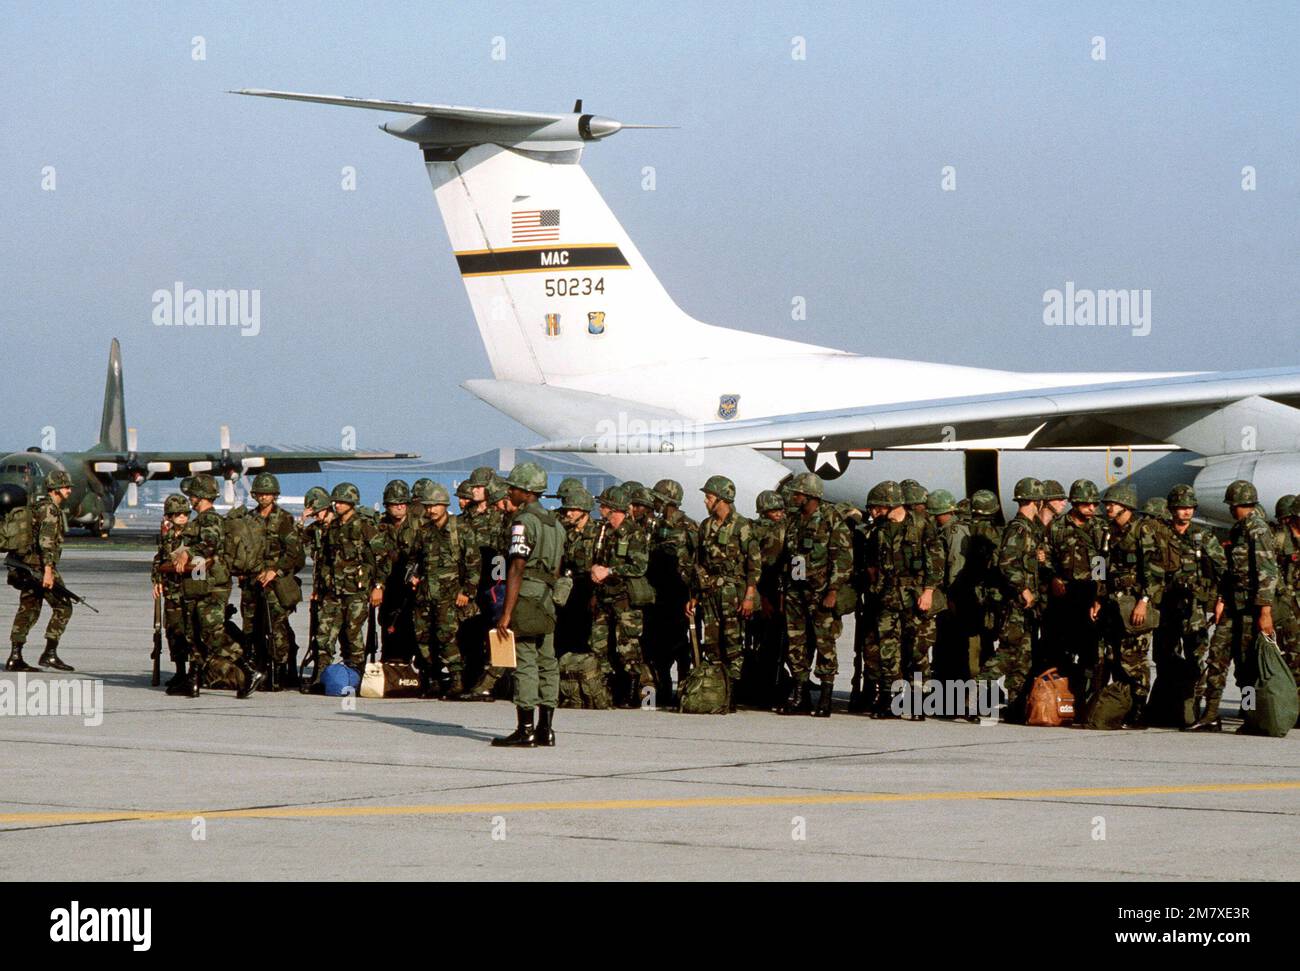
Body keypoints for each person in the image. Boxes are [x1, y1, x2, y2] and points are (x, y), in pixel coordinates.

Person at [1189, 480, 1277, 731]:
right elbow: (1231, 572)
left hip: (1250, 608)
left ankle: (1249, 715)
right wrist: (1221, 600)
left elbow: (1267, 572)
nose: (1230, 509)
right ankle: (1210, 715)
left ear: (1239, 505)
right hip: (1232, 607)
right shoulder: (1239, 529)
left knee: (1247, 667)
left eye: (1232, 505)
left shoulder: (1258, 529)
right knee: (1217, 658)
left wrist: (1265, 612)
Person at [166, 473, 263, 698]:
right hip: (199, 584)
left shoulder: (210, 520)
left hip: (212, 586)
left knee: (212, 633)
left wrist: (188, 553)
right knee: (193, 632)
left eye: (192, 495)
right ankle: (193, 680)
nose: (190, 499)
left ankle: (249, 670)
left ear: (200, 496)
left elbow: (209, 544)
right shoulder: (200, 520)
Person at [491, 462, 567, 748]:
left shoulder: (523, 521)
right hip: (548, 597)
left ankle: (525, 729)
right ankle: (546, 728)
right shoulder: (555, 523)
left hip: (526, 596)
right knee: (548, 661)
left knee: (524, 662)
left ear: (526, 492)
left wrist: (506, 613)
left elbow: (517, 566)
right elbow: (557, 567)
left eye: (513, 487)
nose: (509, 492)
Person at [777, 472, 852, 717]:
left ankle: (826, 697)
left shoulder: (831, 519)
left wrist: (833, 590)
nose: (794, 498)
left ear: (810, 495)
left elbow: (843, 559)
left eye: (798, 494)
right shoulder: (794, 520)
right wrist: (784, 589)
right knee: (796, 642)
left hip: (820, 592)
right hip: (795, 591)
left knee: (824, 642)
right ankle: (801, 695)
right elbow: (787, 557)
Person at [689, 475, 760, 710]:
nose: (705, 501)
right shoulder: (705, 526)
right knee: (711, 643)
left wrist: (749, 596)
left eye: (709, 497)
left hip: (733, 593)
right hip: (709, 593)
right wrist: (695, 597)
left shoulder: (742, 526)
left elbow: (754, 565)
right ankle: (716, 692)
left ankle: (732, 694)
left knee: (733, 643)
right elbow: (699, 563)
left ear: (722, 499)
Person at [1099, 481, 1165, 729]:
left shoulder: (1142, 530)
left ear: (1126, 506)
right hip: (1112, 603)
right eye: (1107, 504)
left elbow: (1154, 571)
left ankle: (1139, 710)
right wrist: (1097, 597)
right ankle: (1122, 705)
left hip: (1134, 603)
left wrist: (1143, 602)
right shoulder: (1108, 531)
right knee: (1114, 656)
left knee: (1135, 658)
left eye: (1113, 504)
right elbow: (1099, 565)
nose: (1108, 508)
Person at [978, 477, 1043, 723]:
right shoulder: (1019, 529)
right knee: (1008, 653)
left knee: (1024, 658)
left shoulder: (1030, 528)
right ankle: (974, 694)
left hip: (1026, 606)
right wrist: (1023, 589)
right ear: (1035, 501)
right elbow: (1006, 563)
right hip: (1015, 604)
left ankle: (1016, 705)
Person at [235, 473, 305, 686]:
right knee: (250, 627)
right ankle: (256, 669)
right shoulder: (248, 519)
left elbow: (293, 552)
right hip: (252, 582)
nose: (264, 497)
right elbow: (241, 548)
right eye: (260, 493)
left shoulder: (284, 519)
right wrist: (241, 569)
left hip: (274, 584)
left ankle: (279, 669)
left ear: (275, 495)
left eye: (268, 493)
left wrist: (275, 570)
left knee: (276, 628)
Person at [410, 480, 479, 697]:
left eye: (435, 505)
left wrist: (467, 592)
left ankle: (457, 680)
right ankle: (434, 679)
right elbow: (414, 560)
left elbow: (474, 564)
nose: (431, 510)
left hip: (450, 595)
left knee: (447, 637)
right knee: (423, 637)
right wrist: (413, 576)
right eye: (428, 506)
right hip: (425, 595)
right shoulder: (424, 532)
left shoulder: (461, 530)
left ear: (445, 505)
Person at [590, 485, 654, 706]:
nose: (600, 509)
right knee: (599, 645)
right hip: (604, 598)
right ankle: (607, 692)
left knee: (629, 649)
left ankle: (636, 695)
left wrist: (609, 571)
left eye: (603, 505)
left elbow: (639, 567)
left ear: (613, 508)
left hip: (625, 599)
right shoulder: (604, 532)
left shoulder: (635, 533)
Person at [7, 469, 76, 672]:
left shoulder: (38, 506)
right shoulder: (50, 510)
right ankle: (49, 654)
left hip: (27, 566)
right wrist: (48, 571)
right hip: (39, 568)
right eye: (66, 487)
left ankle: (15, 657)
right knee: (64, 606)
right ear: (55, 488)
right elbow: (46, 543)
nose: (69, 490)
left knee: (28, 609)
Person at [314, 482, 382, 677]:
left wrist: (378, 586)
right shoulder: (333, 527)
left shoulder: (365, 527)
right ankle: (321, 674)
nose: (337, 505)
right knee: (324, 633)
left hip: (356, 592)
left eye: (342, 502)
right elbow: (324, 560)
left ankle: (356, 674)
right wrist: (320, 587)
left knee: (352, 634)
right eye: (335, 502)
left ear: (352, 503)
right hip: (332, 591)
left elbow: (381, 558)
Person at [646, 479, 697, 705]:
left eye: (658, 499)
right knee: (658, 644)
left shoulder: (689, 527)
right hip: (658, 592)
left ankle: (684, 687)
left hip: (679, 593)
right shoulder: (655, 526)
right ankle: (664, 687)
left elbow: (697, 560)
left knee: (679, 643)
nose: (655, 503)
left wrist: (694, 595)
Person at [152, 494, 193, 687]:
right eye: (177, 514)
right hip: (171, 590)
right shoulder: (167, 536)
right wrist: (157, 580)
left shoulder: (194, 535)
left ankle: (194, 672)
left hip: (190, 589)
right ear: (169, 516)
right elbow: (159, 559)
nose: (182, 517)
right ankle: (180, 671)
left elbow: (201, 563)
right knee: (173, 630)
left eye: (185, 513)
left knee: (192, 631)